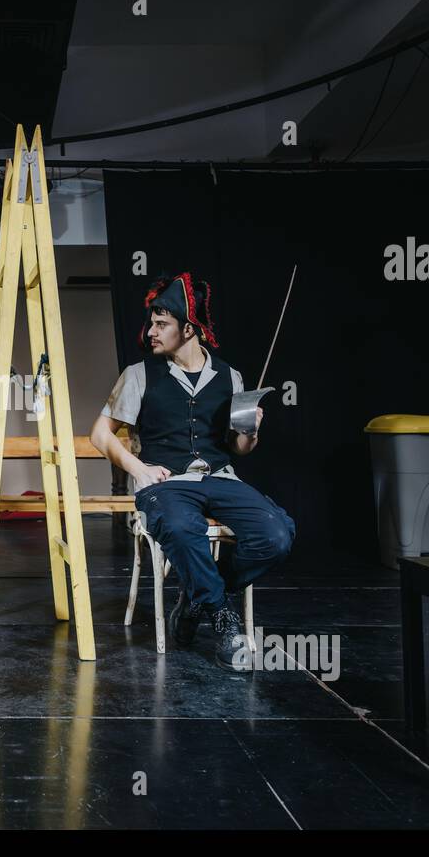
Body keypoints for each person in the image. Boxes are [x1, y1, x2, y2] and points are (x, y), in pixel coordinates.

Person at [89, 271, 295, 671]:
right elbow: (100, 434)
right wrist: (138, 469)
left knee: (277, 535)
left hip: (220, 478)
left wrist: (251, 429)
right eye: (152, 322)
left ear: (189, 328)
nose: (151, 331)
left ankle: (196, 596)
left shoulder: (229, 376)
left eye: (161, 323)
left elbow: (239, 449)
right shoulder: (139, 374)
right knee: (184, 529)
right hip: (166, 485)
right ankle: (222, 618)